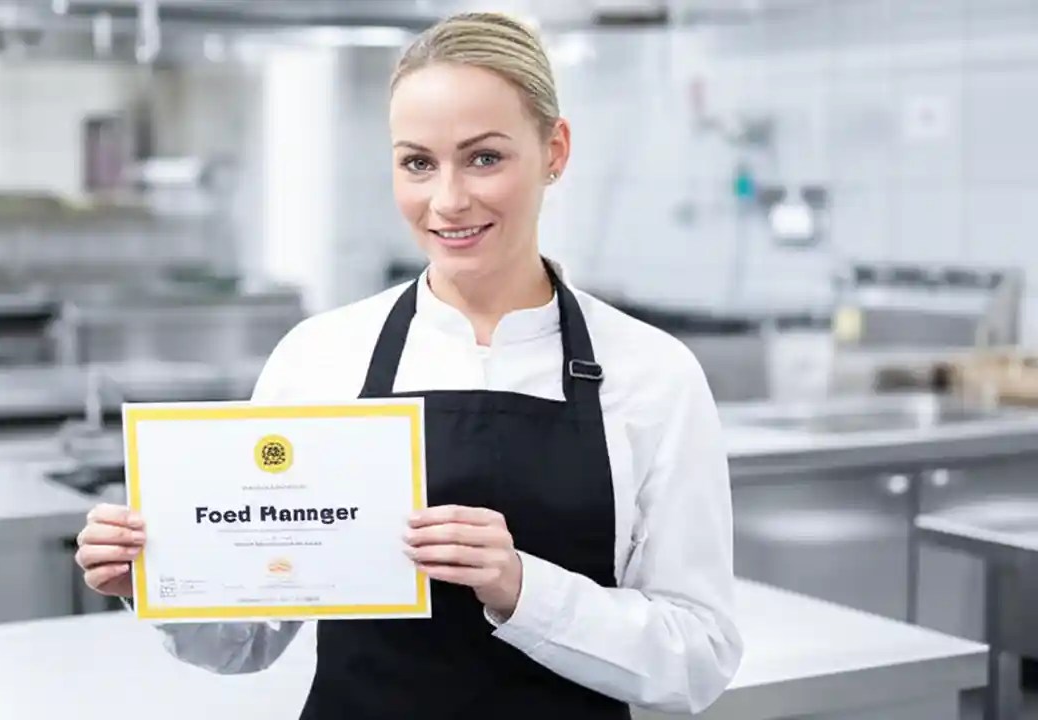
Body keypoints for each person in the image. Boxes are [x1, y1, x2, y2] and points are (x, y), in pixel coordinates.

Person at [76, 10, 743, 718]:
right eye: (417, 162)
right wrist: (155, 580)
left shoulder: (652, 374)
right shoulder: (321, 358)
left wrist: (524, 589)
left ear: (555, 150)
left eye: (485, 157)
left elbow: (697, 659)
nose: (447, 200)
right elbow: (248, 642)